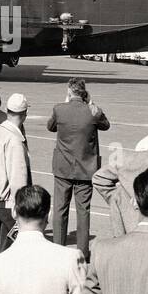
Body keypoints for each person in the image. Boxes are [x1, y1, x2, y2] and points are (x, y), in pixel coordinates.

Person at [46, 77, 110, 259]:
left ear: (69, 91)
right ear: (84, 93)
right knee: (83, 210)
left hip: (63, 167)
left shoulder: (59, 109)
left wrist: (66, 103)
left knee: (60, 208)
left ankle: (58, 247)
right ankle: (82, 251)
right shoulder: (93, 111)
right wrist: (92, 104)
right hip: (85, 168)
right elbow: (106, 125)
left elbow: (50, 127)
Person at [0, 93, 32, 255]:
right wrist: (21, 206)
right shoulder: (15, 141)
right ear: (24, 114)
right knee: (11, 251)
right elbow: (18, 178)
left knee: (3, 247)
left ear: (7, 110)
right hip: (10, 203)